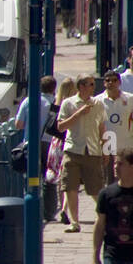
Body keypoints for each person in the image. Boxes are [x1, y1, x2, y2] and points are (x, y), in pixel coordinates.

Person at [56, 74, 107, 232]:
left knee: (95, 188)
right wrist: (78, 114)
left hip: (92, 150)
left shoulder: (98, 104)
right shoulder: (68, 103)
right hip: (73, 150)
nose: (93, 87)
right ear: (81, 86)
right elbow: (61, 127)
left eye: (93, 84)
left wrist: (106, 149)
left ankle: (105, 217)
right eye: (90, 84)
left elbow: (103, 128)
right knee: (70, 186)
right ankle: (74, 222)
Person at [95, 70, 133, 183]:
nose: (111, 83)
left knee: (126, 179)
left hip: (126, 147)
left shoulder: (130, 99)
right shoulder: (98, 101)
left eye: (114, 80)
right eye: (108, 80)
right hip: (107, 148)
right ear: (104, 83)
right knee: (108, 181)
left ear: (119, 82)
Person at [49, 77, 78, 223]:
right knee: (67, 176)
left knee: (59, 177)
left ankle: (62, 207)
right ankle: (63, 208)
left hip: (56, 143)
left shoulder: (56, 103)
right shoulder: (73, 104)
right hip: (69, 141)